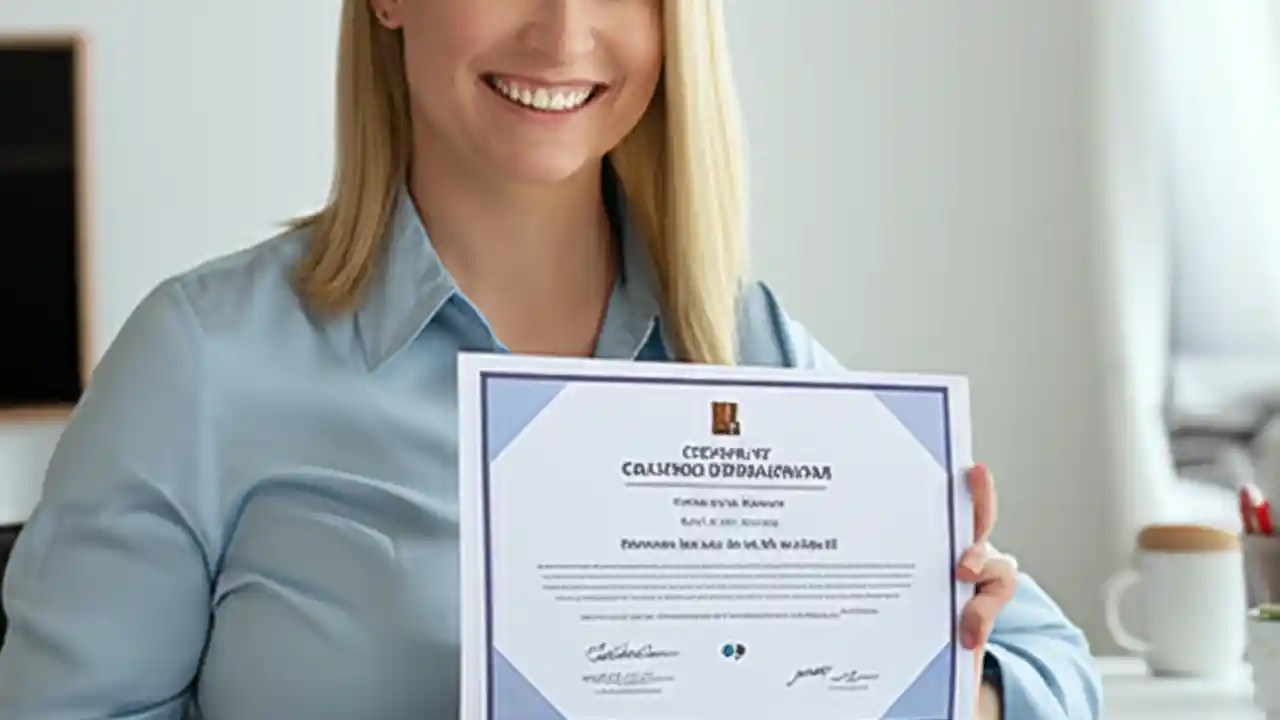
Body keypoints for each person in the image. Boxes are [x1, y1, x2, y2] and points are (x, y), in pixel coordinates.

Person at [0, 1, 1102, 718]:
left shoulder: (743, 347)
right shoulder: (203, 360)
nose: (564, 31)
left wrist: (955, 679)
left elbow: (1060, 671)